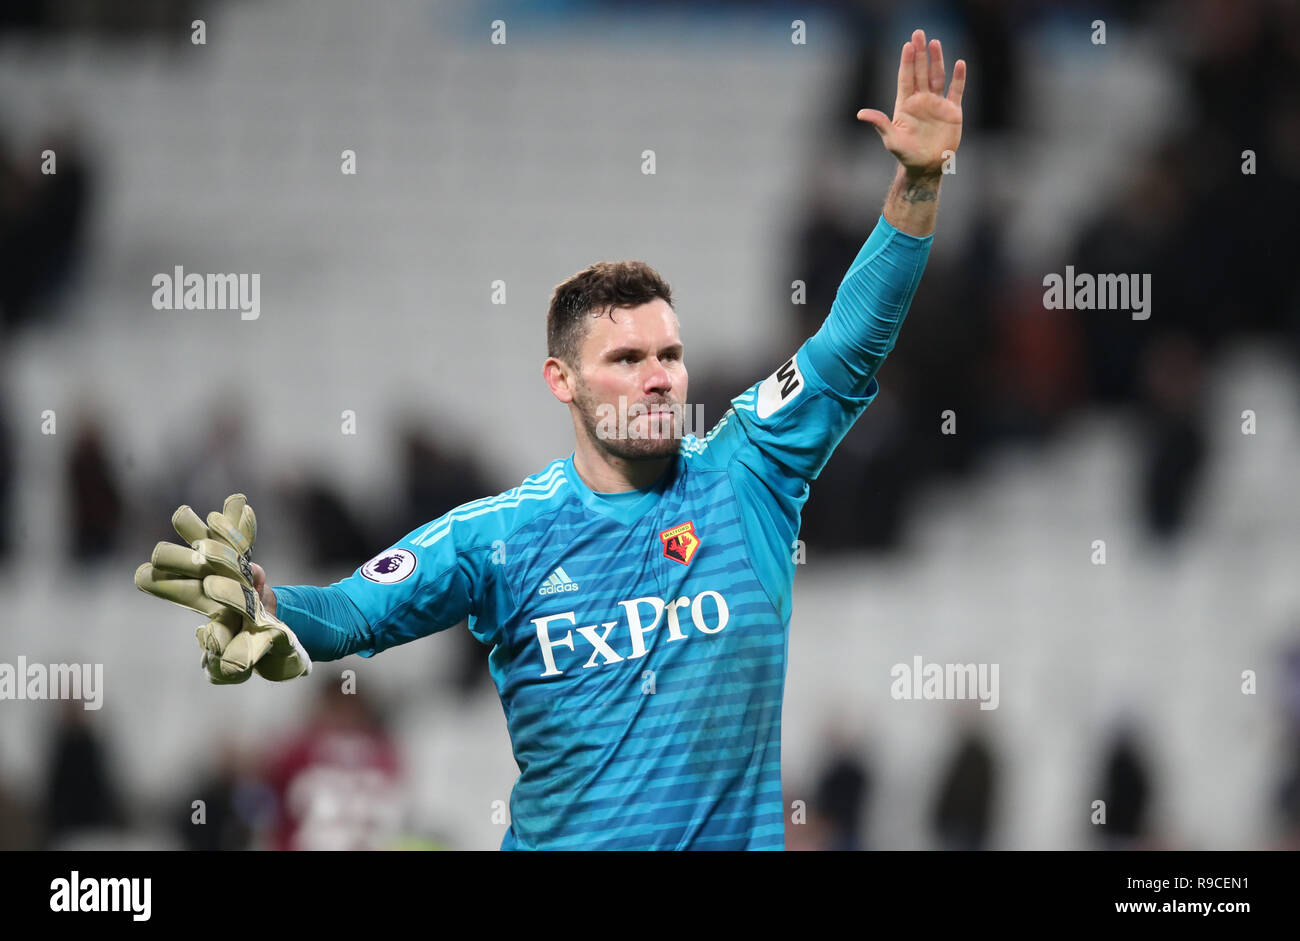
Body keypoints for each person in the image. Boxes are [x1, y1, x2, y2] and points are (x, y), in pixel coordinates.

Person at [136, 29, 965, 850]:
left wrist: (919, 181)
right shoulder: (500, 536)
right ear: (561, 380)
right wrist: (266, 606)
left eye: (670, 356)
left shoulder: (747, 469)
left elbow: (849, 345)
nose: (658, 376)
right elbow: (350, 613)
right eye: (626, 357)